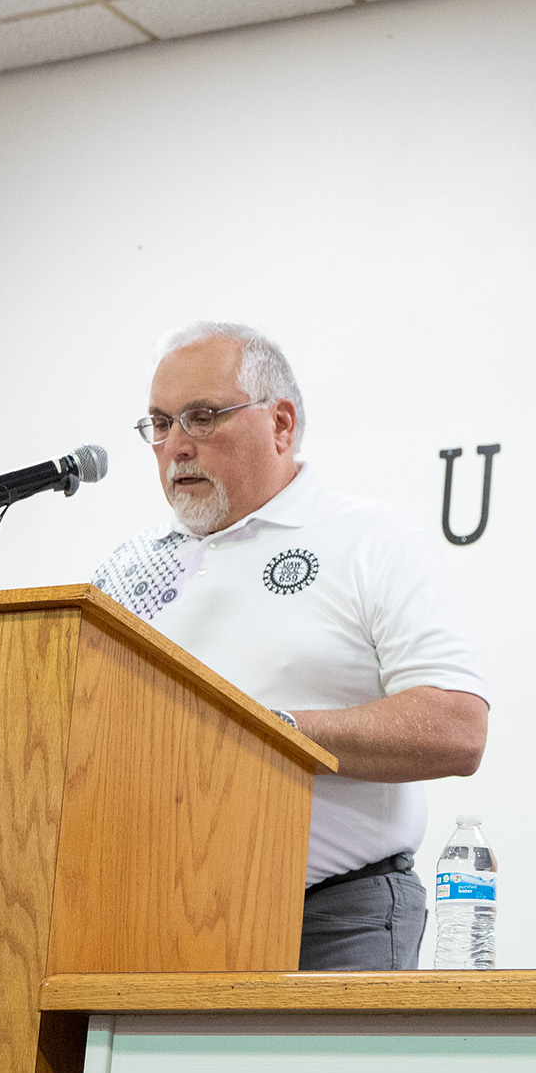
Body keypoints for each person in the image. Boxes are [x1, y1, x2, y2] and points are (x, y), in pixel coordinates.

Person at [92, 321, 489, 969]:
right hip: (148, 917)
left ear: (281, 424)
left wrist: (264, 732)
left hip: (331, 925)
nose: (176, 447)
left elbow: (457, 727)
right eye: (160, 424)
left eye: (202, 417)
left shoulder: (370, 538)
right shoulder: (128, 569)